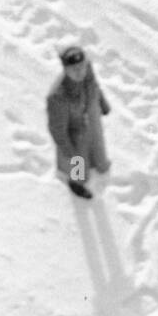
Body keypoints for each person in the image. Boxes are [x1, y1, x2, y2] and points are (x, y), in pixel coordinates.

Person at [46, 45, 111, 201]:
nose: (80, 72)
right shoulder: (57, 97)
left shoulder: (86, 69)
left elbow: (94, 85)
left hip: (89, 116)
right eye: (74, 69)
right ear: (66, 70)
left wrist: (102, 103)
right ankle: (75, 182)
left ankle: (96, 164)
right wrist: (70, 153)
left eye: (82, 67)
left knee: (99, 155)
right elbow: (58, 131)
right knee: (78, 161)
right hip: (73, 130)